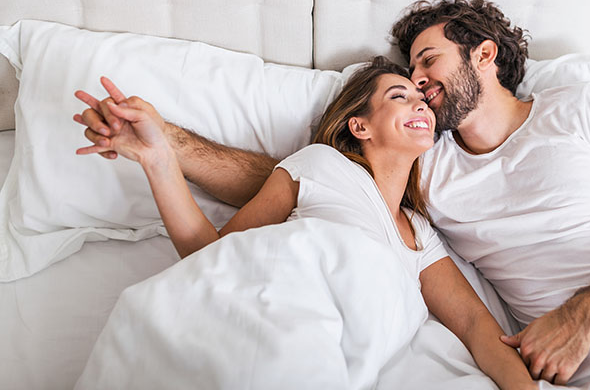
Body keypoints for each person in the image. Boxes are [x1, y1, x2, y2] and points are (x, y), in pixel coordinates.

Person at [74, 0, 590, 385]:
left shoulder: (579, 108)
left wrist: (577, 323)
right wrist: (167, 145)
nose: (419, 84)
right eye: (405, 80)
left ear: (485, 55)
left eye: (428, 63)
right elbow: (285, 182)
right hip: (557, 361)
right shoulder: (421, 169)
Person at [74, 57, 536, 390]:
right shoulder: (318, 164)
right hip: (276, 315)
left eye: (422, 99)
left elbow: (477, 326)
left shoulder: (421, 234)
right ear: (360, 127)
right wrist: (159, 159)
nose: (422, 106)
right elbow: (211, 257)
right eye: (401, 97)